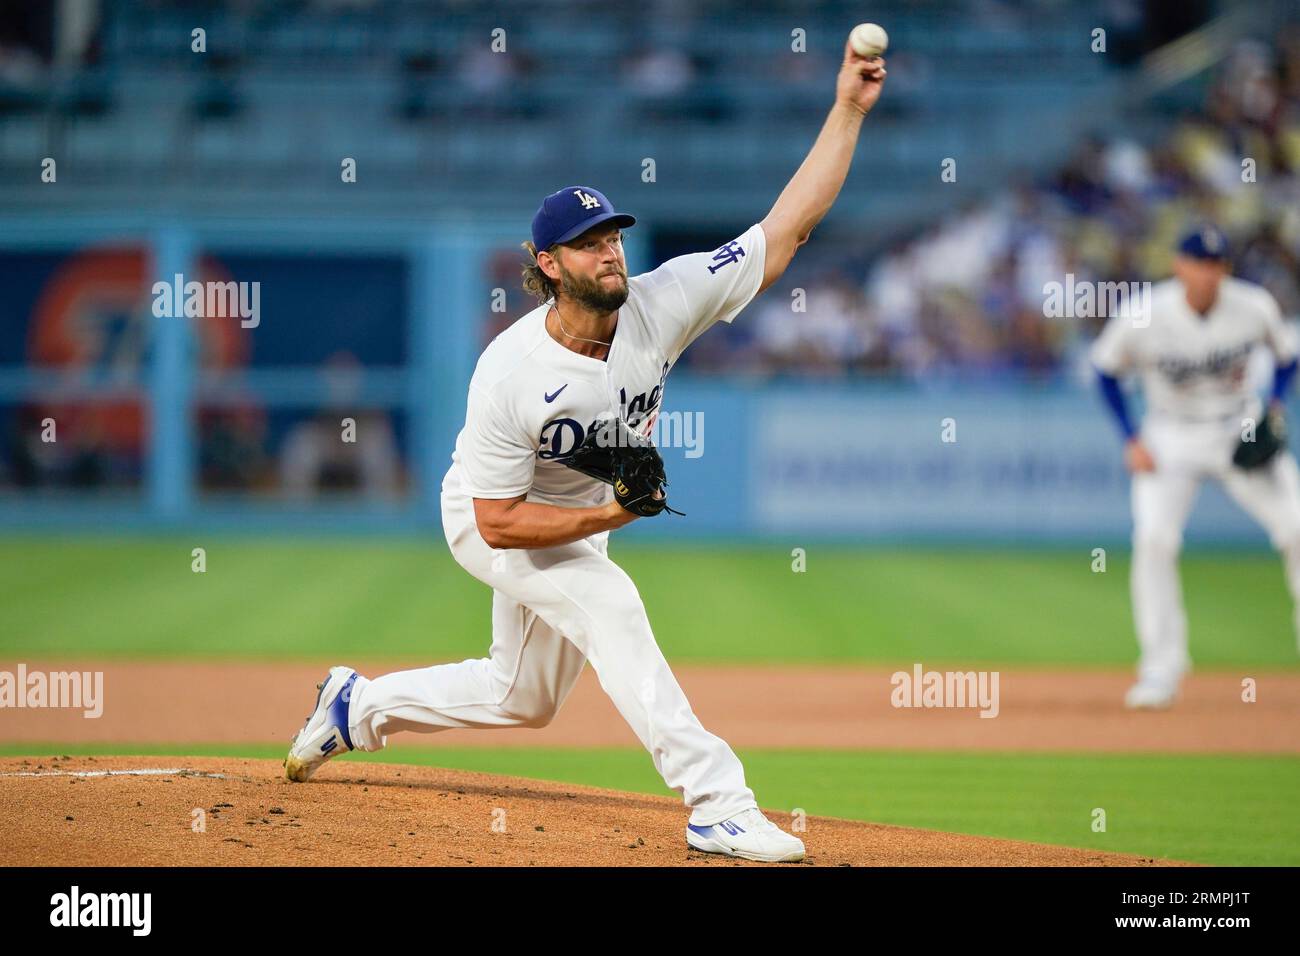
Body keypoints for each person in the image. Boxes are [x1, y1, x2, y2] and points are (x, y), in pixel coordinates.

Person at [285, 39, 886, 863]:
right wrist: (610, 511)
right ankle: (718, 802)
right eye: (587, 241)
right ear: (547, 265)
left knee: (520, 696)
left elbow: (786, 230)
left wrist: (848, 109)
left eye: (613, 235)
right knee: (611, 605)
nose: (610, 250)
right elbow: (496, 523)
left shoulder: (664, 301)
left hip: (576, 516)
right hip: (489, 513)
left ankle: (357, 708)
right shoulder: (511, 371)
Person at [1091, 224, 1300, 709]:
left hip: (1239, 426)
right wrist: (1130, 437)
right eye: (1198, 263)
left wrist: (1276, 403)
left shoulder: (1253, 306)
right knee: (1154, 539)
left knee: (1296, 528)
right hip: (1171, 433)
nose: (1208, 273)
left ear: (1225, 269)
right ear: (1178, 265)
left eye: (1216, 264)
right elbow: (1105, 371)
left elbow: (1287, 357)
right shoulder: (1144, 314)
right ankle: (1161, 669)